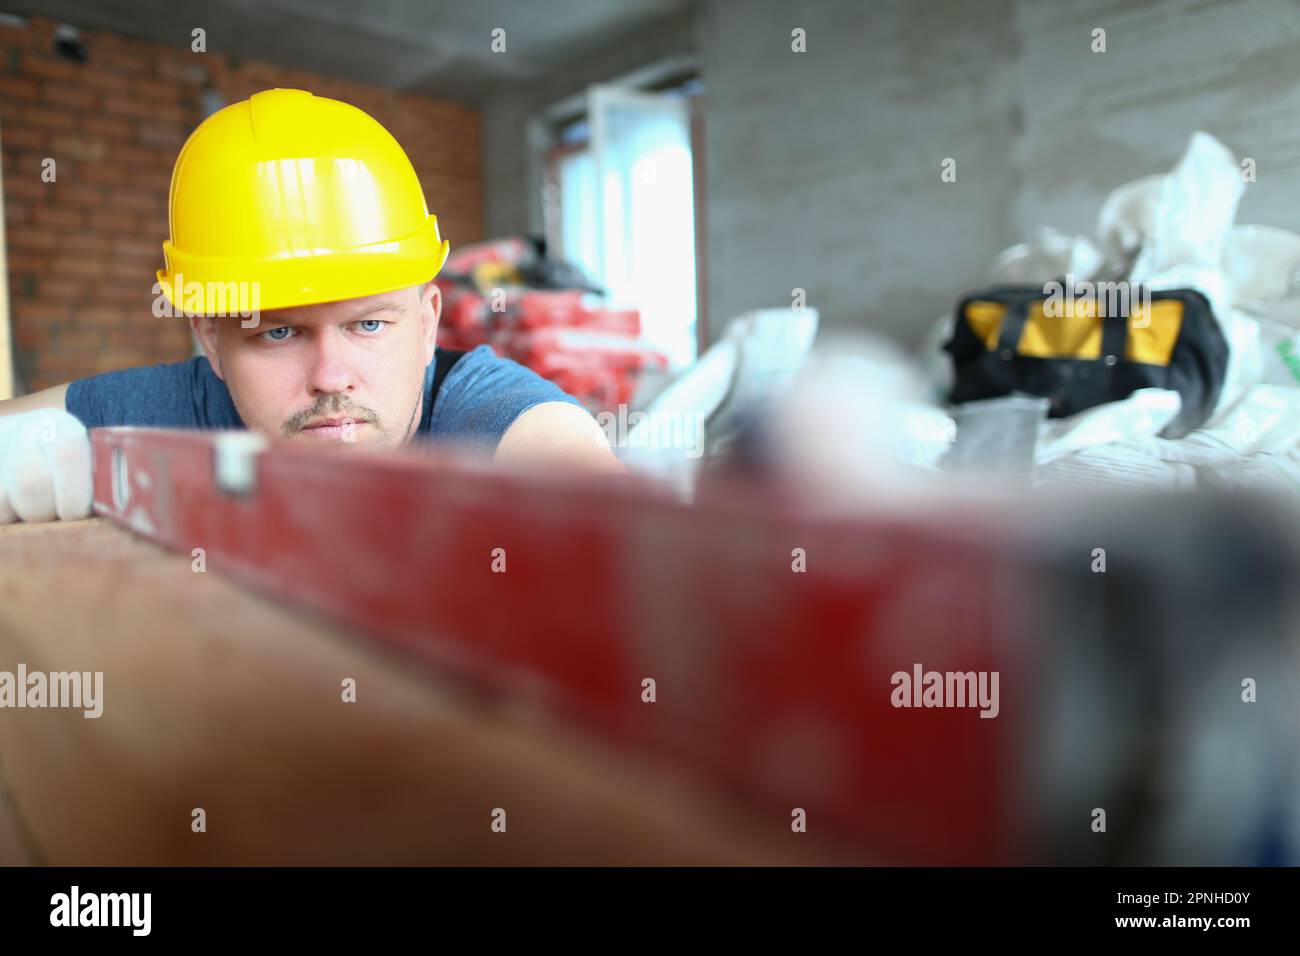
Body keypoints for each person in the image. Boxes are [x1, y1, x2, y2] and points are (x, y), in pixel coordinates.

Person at [0, 89, 621, 524]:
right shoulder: (189, 407)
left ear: (428, 322)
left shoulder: (482, 407)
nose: (330, 376)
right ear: (212, 343)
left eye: (369, 324)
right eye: (279, 334)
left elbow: (594, 495)